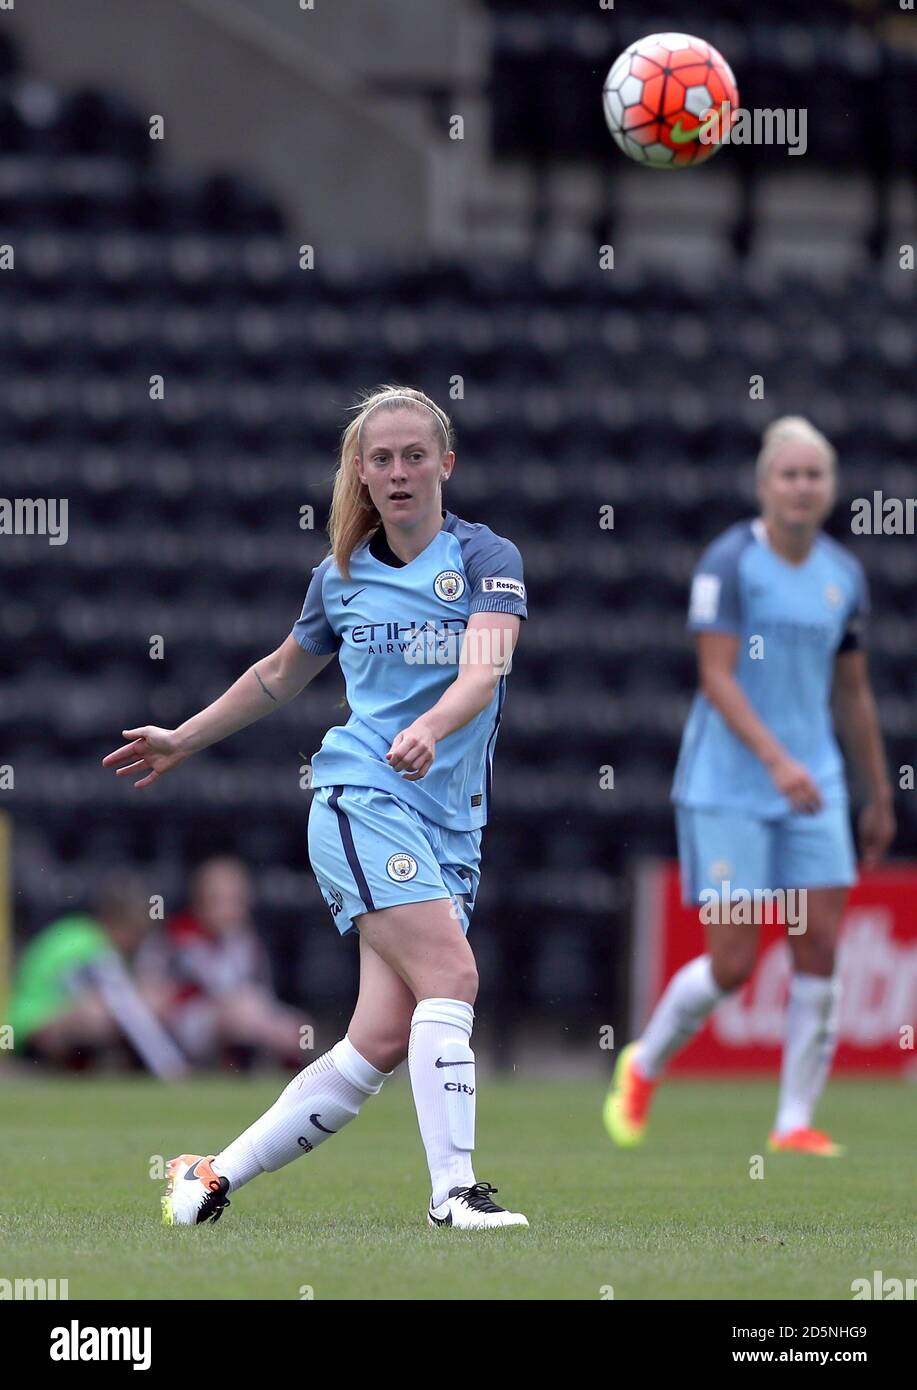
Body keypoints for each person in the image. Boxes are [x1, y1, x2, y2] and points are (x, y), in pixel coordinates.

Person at [103, 385, 530, 1228]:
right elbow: (275, 676)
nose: (399, 472)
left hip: (450, 821)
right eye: (382, 459)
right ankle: (455, 1194)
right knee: (454, 976)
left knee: (376, 1040)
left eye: (415, 456)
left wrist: (434, 726)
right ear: (361, 475)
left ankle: (206, 1178)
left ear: (445, 464)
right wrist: (184, 738)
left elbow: (485, 669)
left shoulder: (486, 557)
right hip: (361, 797)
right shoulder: (339, 577)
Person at [605, 416, 895, 1156]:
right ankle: (644, 1063)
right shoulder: (729, 563)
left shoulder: (841, 575)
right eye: (788, 475)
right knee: (733, 963)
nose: (801, 488)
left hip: (814, 784)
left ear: (829, 488)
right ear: (764, 485)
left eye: (813, 475)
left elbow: (852, 694)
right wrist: (773, 760)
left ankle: (793, 1121)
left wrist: (877, 791)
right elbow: (715, 676)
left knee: (818, 944)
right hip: (732, 783)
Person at [136, 856, 309, 1070]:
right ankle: (232, 1071)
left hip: (245, 1017)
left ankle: (289, 1085)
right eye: (221, 900)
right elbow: (148, 988)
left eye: (236, 900)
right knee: (241, 1016)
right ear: (201, 901)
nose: (230, 909)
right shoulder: (174, 935)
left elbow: (262, 993)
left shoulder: (245, 941)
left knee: (299, 1027)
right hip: (185, 1023)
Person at [9, 873, 187, 1079]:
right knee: (100, 1011)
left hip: (41, 1021)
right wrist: (168, 1064)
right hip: (28, 1029)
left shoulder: (80, 931)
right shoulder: (89, 944)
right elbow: (123, 1004)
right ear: (121, 924)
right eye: (137, 933)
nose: (137, 943)